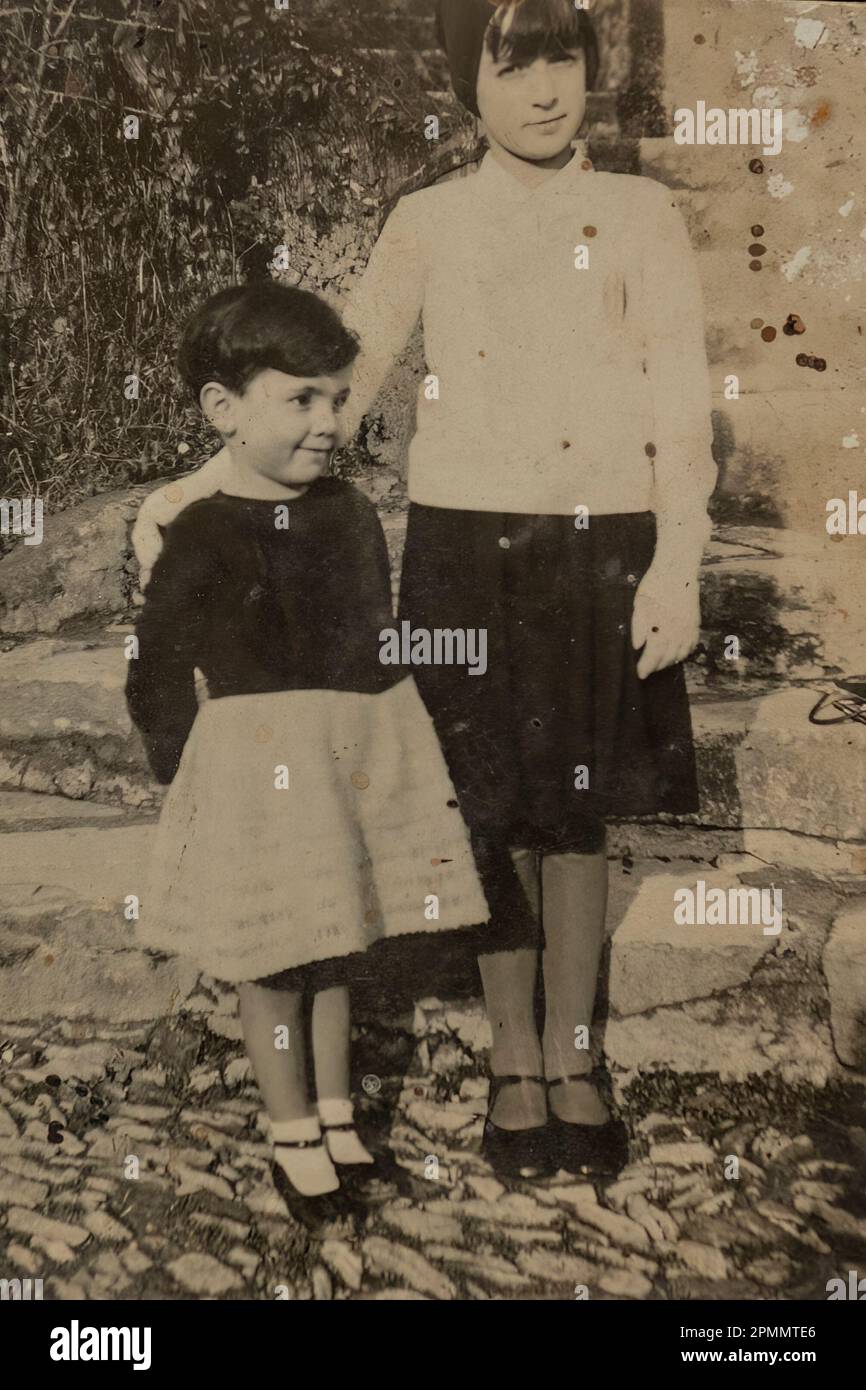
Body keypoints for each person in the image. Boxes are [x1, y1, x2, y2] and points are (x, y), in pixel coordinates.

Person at [131, 0, 717, 1181]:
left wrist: (678, 566)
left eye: (560, 59)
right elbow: (332, 372)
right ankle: (511, 1063)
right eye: (512, 67)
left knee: (576, 807)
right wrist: (201, 482)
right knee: (487, 802)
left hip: (602, 543)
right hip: (462, 552)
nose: (544, 89)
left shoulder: (642, 216)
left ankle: (577, 1058)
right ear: (468, 86)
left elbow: (677, 402)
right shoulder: (428, 220)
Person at [125, 283, 492, 1224]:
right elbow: (159, 660)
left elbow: (376, 638)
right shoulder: (199, 531)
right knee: (275, 956)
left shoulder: (349, 515)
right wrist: (179, 764)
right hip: (255, 767)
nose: (330, 422)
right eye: (301, 400)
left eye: (337, 399)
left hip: (349, 755)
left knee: (339, 946)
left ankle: (337, 1116)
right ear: (223, 409)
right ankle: (290, 1131)